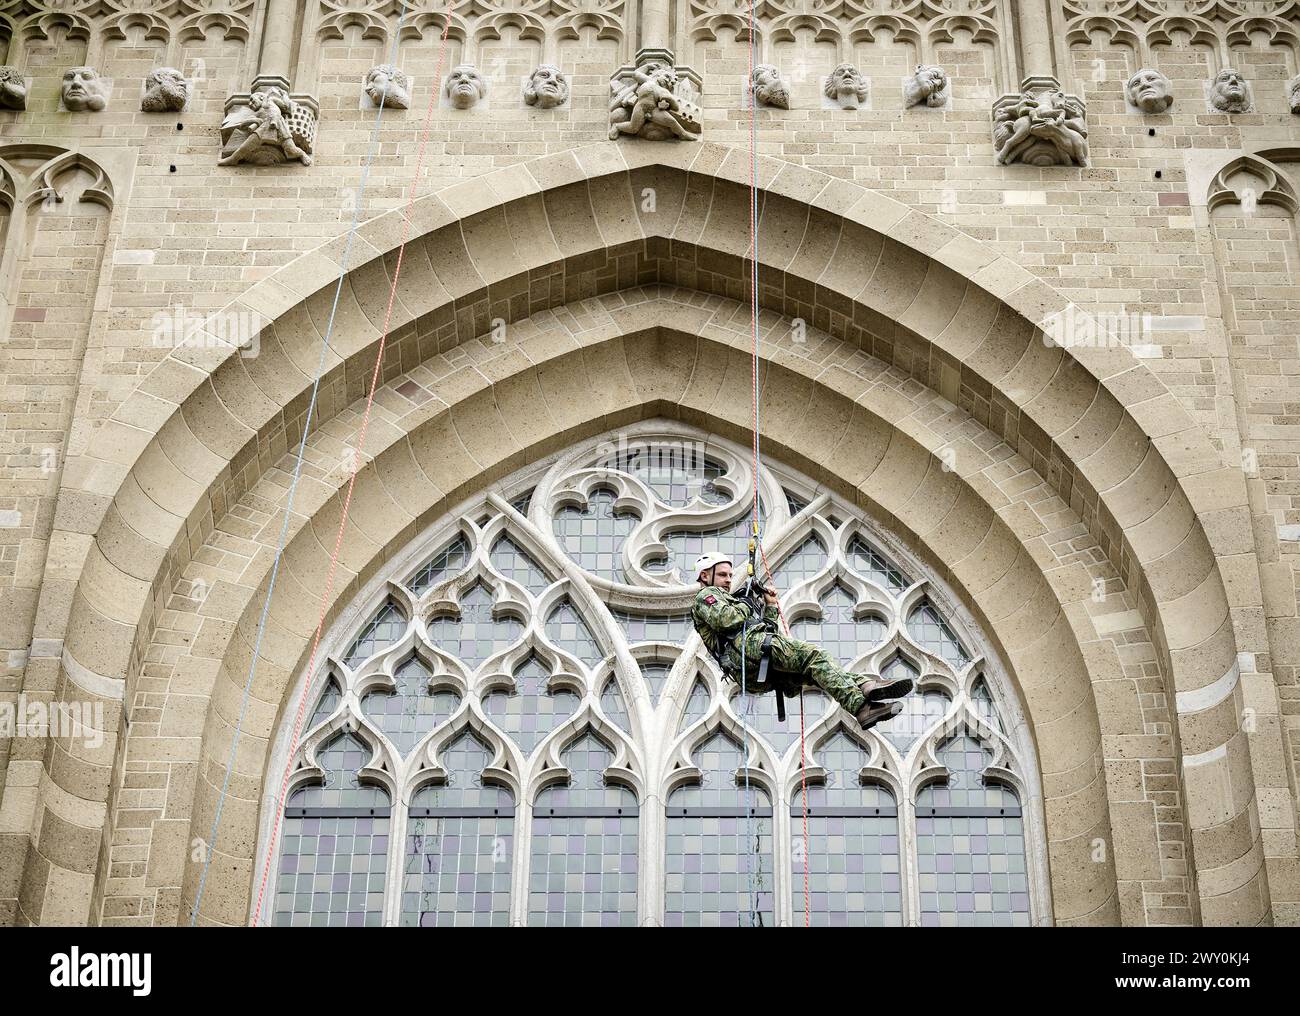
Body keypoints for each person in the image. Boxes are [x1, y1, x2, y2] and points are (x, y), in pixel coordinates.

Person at [690, 551, 911, 729]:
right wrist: (747, 601)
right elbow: (728, 620)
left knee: (817, 671)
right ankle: (861, 703)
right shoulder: (706, 597)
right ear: (704, 576)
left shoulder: (730, 600)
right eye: (722, 575)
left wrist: (770, 605)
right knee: (815, 656)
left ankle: (864, 687)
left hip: (755, 664)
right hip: (748, 654)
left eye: (730, 575)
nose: (728, 580)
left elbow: (767, 630)